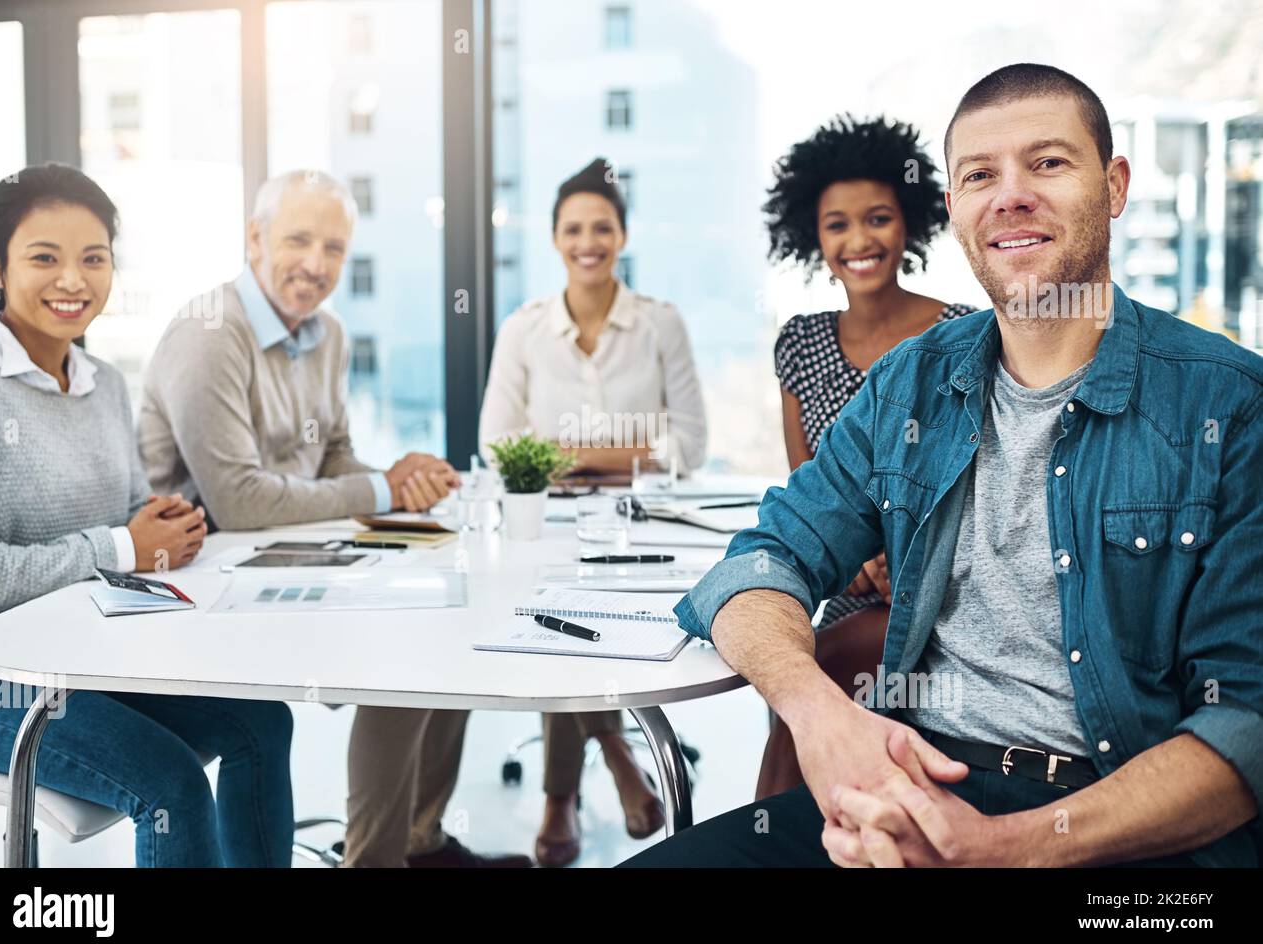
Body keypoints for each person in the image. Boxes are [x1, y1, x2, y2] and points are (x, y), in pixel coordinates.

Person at [624, 63, 1262, 868]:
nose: (1011, 195)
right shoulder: (910, 382)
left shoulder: (1228, 401)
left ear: (1114, 184)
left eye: (1048, 163)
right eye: (979, 175)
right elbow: (761, 561)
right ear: (956, 207)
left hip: (1126, 838)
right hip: (916, 795)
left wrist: (1001, 848)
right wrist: (822, 720)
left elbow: (1246, 726)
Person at [138, 169, 524, 868]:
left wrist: (405, 482)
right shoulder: (209, 332)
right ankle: (376, 859)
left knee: (449, 615)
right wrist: (382, 491)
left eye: (335, 248)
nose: (317, 264)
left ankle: (420, 840)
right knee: (409, 657)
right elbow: (242, 503)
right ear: (254, 239)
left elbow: (335, 457)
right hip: (204, 585)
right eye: (298, 240)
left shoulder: (329, 333)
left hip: (290, 559)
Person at [0, 163, 294, 866]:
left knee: (261, 723)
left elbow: (126, 515)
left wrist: (164, 523)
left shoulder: (105, 383)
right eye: (44, 258)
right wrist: (120, 545)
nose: (72, 280)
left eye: (93, 258)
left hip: (84, 653)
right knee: (170, 782)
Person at [479, 157, 707, 865]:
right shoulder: (524, 329)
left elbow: (691, 444)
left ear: (623, 234)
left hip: (640, 522)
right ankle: (612, 750)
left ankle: (557, 800)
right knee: (554, 622)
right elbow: (493, 445)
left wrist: (573, 452)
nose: (588, 240)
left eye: (602, 227)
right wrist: (624, 446)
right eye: (573, 228)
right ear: (553, 239)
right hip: (548, 522)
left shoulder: (659, 324)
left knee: (571, 629)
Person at [759, 116, 977, 798]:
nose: (858, 240)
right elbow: (808, 491)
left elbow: (981, 493)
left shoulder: (964, 333)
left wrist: (905, 565)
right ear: (812, 237)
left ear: (908, 224)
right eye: (837, 225)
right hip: (840, 594)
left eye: (878, 218)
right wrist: (853, 560)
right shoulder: (801, 342)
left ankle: (777, 833)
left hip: (943, 602)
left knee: (830, 675)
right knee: (792, 669)